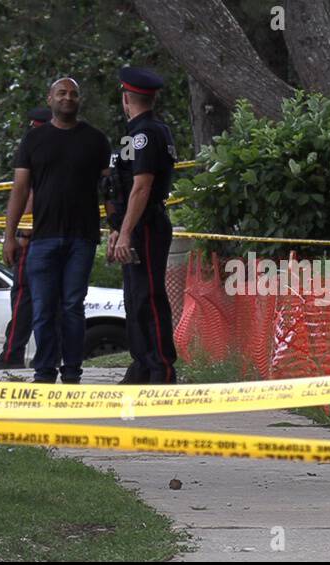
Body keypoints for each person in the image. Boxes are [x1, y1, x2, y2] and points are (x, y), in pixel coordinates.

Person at [4, 78, 111, 384]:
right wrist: (9, 236)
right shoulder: (33, 140)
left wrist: (117, 229)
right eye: (62, 93)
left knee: (72, 305)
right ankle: (44, 371)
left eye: (74, 93)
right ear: (50, 98)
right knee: (43, 307)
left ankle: (73, 371)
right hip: (43, 238)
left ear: (80, 100)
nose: (68, 98)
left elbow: (110, 190)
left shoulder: (96, 140)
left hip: (83, 237)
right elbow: (20, 189)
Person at [105, 66, 178, 385]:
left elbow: (142, 187)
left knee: (148, 295)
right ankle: (141, 363)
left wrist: (126, 231)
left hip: (145, 225)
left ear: (126, 98)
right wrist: (115, 228)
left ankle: (161, 367)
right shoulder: (133, 134)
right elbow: (119, 189)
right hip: (131, 224)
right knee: (134, 296)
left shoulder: (147, 134)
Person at [0, 107, 52, 370]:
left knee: (24, 298)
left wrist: (20, 234)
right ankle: (47, 354)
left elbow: (28, 195)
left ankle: (12, 353)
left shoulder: (38, 155)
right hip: (55, 237)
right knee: (50, 299)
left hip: (32, 240)